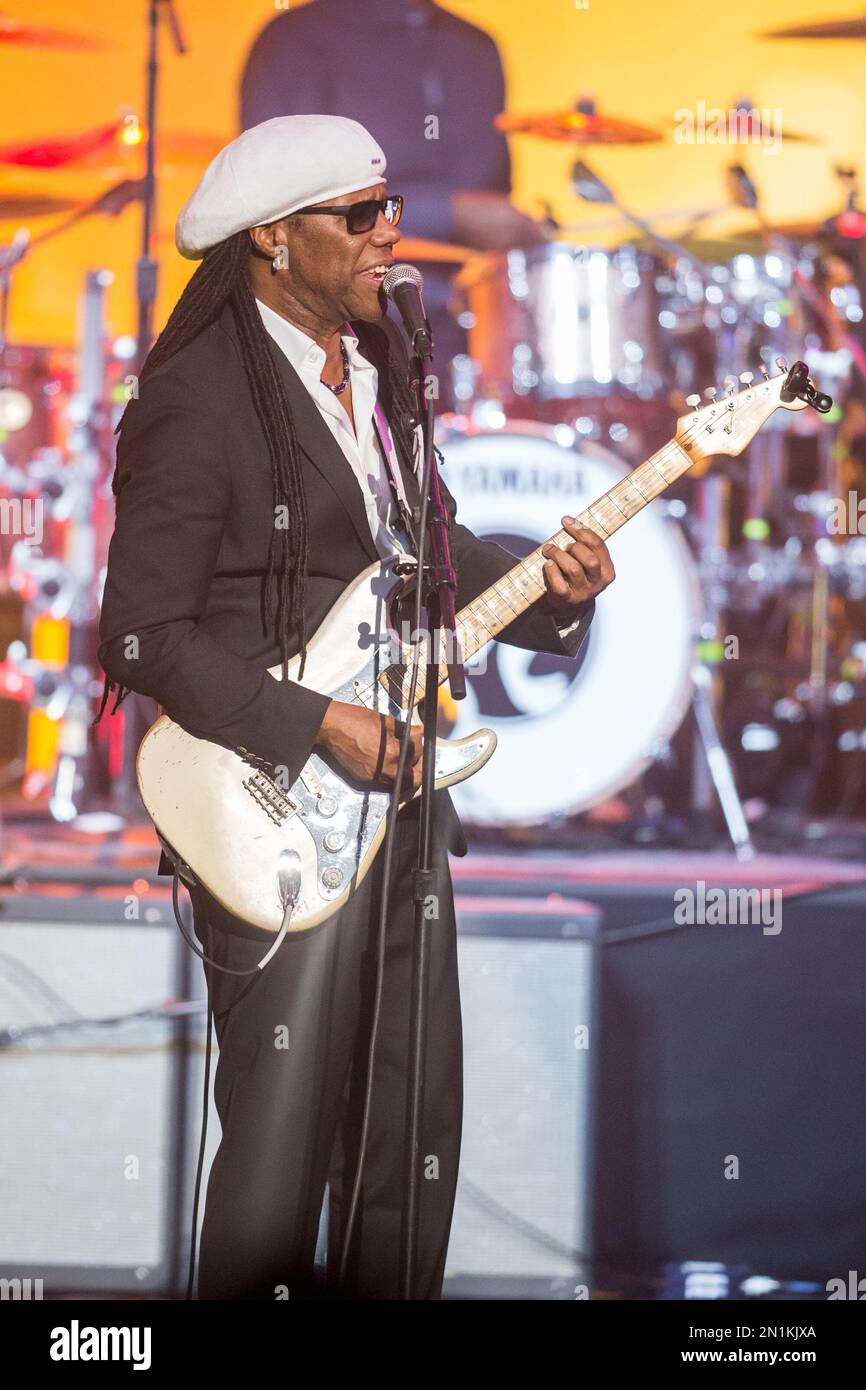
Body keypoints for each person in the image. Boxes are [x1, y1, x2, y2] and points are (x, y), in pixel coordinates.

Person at [95, 115, 614, 1300]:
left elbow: (425, 557)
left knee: (410, 1129)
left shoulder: (380, 375)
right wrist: (317, 724)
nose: (393, 236)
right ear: (273, 238)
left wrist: (555, 597)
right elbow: (140, 633)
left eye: (390, 208)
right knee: (278, 1155)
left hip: (401, 802)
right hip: (276, 802)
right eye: (360, 215)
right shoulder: (199, 396)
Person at [239, 0, 543, 396]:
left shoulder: (476, 47)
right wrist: (448, 214)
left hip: (470, 331)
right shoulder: (295, 40)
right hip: (340, 331)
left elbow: (492, 191)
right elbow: (281, 198)